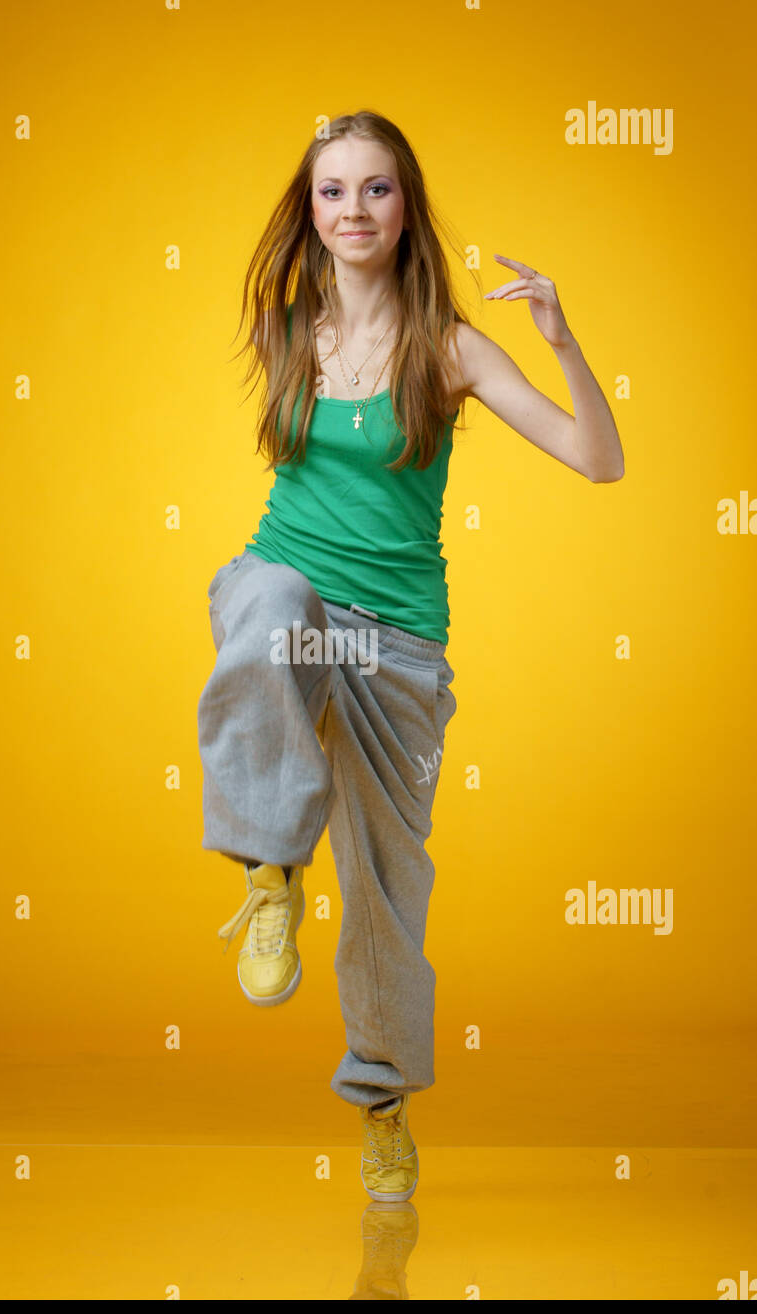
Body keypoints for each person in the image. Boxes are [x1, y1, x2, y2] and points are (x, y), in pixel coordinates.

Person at [197, 109, 624, 1203]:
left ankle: (382, 1107)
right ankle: (268, 867)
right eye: (332, 191)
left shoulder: (450, 345)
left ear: (405, 205)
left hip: (395, 646)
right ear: (310, 211)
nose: (352, 210)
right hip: (283, 595)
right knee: (269, 600)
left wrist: (561, 340)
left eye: (374, 189)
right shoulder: (287, 328)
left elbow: (597, 459)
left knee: (386, 898)